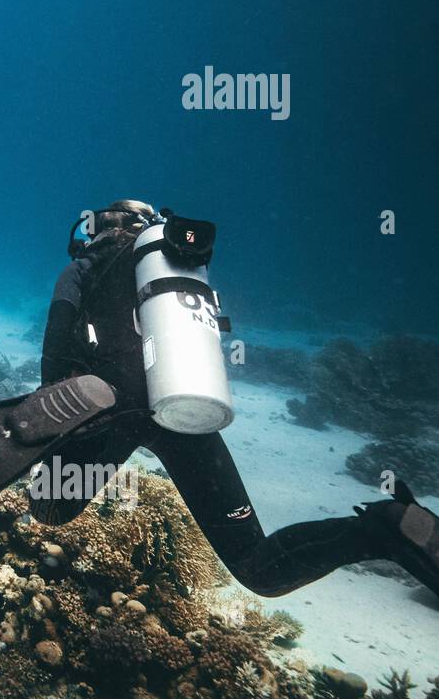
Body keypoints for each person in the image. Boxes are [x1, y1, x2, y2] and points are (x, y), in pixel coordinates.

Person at [33, 199, 439, 600]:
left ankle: (378, 534)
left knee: (49, 507)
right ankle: (383, 528)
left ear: (99, 227)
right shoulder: (177, 267)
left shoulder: (82, 268)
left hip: (109, 414)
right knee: (253, 563)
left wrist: (52, 425)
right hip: (183, 405)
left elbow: (53, 356)